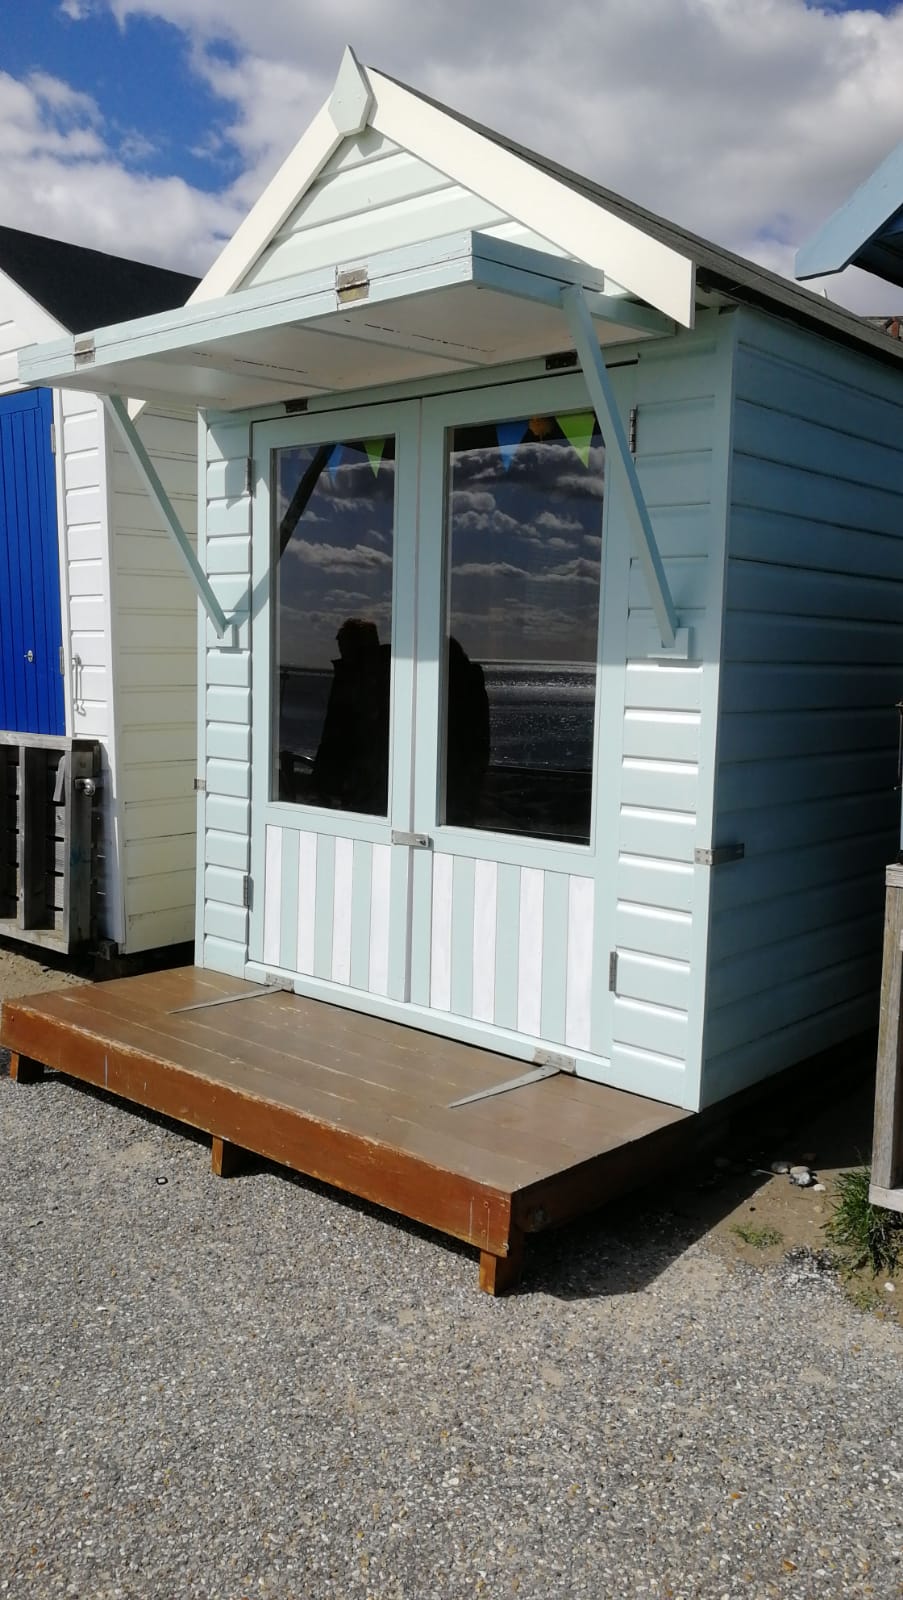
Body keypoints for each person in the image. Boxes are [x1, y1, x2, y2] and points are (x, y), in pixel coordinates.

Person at [311, 619, 391, 815]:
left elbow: (338, 732)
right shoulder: (378, 673)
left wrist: (325, 779)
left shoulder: (359, 678)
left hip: (364, 778)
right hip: (362, 777)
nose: (342, 652)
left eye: (344, 647)